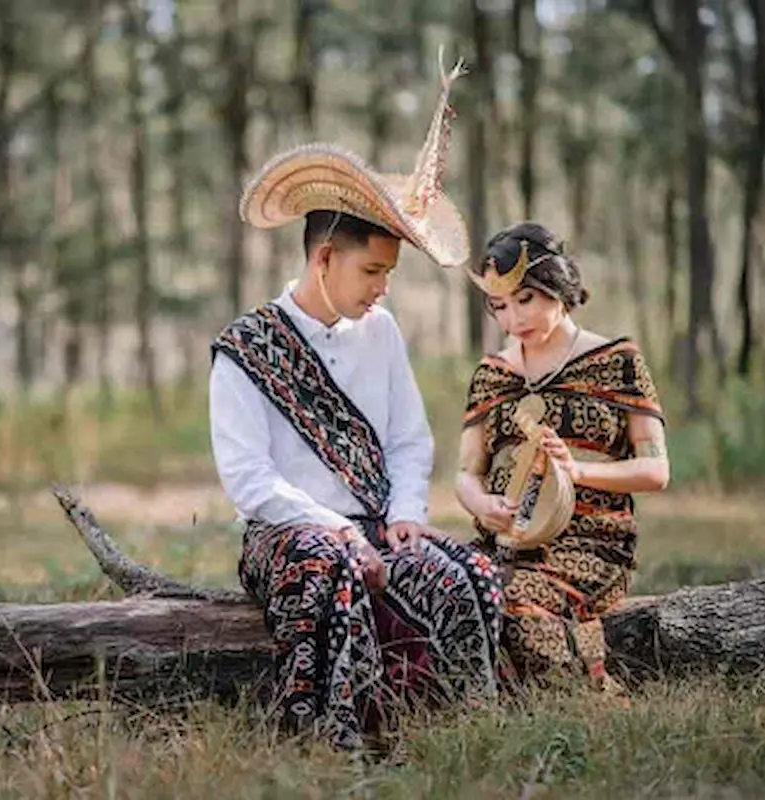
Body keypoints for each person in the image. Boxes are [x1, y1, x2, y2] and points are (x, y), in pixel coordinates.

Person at [209, 57, 503, 751]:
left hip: (375, 524)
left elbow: (407, 440)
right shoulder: (246, 348)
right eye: (372, 271)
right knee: (328, 565)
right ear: (323, 260)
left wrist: (403, 516)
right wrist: (337, 530)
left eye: (389, 274)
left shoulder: (383, 332)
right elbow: (252, 483)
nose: (382, 288)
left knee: (468, 573)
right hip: (288, 537)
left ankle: (455, 732)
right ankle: (335, 739)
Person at [455, 221, 670, 696]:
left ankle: (588, 698)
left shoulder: (617, 361)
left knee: (513, 597)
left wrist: (578, 471)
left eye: (525, 300)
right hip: (508, 539)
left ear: (555, 284)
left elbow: (656, 471)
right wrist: (480, 505)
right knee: (442, 584)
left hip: (592, 542)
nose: (513, 321)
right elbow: (466, 473)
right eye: (499, 307)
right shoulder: (493, 374)